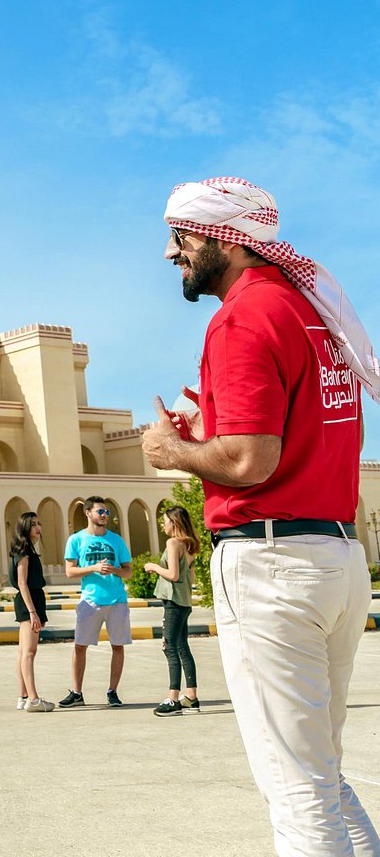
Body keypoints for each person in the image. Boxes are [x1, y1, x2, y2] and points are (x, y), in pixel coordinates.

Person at [143, 177, 380, 856]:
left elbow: (251, 461)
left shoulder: (244, 317)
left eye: (181, 237)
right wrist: (206, 426)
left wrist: (175, 450)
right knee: (320, 777)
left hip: (274, 565)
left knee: (297, 790)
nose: (170, 253)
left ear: (224, 239)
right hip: (334, 558)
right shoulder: (309, 314)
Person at [58, 495, 133, 708]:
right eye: (100, 512)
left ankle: (113, 691)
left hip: (117, 600)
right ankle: (76, 693)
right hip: (90, 601)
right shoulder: (76, 540)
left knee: (118, 646)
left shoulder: (116, 540)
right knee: (80, 646)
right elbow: (70, 571)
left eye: (107, 512)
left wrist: (114, 570)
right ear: (88, 513)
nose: (105, 516)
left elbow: (128, 572)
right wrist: (93, 568)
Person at [143, 505, 201, 716]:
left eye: (165, 520)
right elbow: (190, 578)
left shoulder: (173, 542)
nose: (163, 524)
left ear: (174, 523)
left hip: (173, 603)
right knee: (182, 647)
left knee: (170, 648)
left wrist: (153, 567)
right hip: (184, 602)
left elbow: (174, 575)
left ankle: (173, 699)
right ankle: (191, 697)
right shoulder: (189, 545)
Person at [10, 511, 54, 713]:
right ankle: (34, 700)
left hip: (32, 601)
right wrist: (33, 612)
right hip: (29, 602)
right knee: (29, 652)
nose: (38, 527)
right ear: (25, 528)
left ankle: (23, 696)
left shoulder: (27, 550)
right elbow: (22, 583)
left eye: (39, 523)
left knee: (23, 652)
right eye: (33, 524)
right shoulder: (24, 553)